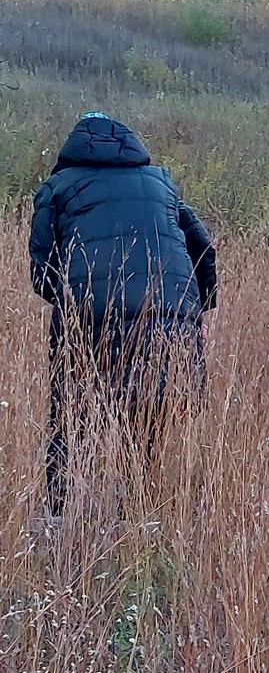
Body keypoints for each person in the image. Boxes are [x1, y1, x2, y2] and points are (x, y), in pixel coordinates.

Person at [31, 113, 216, 510]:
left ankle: (60, 517)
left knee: (70, 422)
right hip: (170, 320)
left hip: (89, 322)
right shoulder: (159, 182)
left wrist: (75, 305)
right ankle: (135, 516)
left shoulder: (57, 187)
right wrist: (198, 310)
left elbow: (42, 275)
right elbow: (202, 245)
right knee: (147, 417)